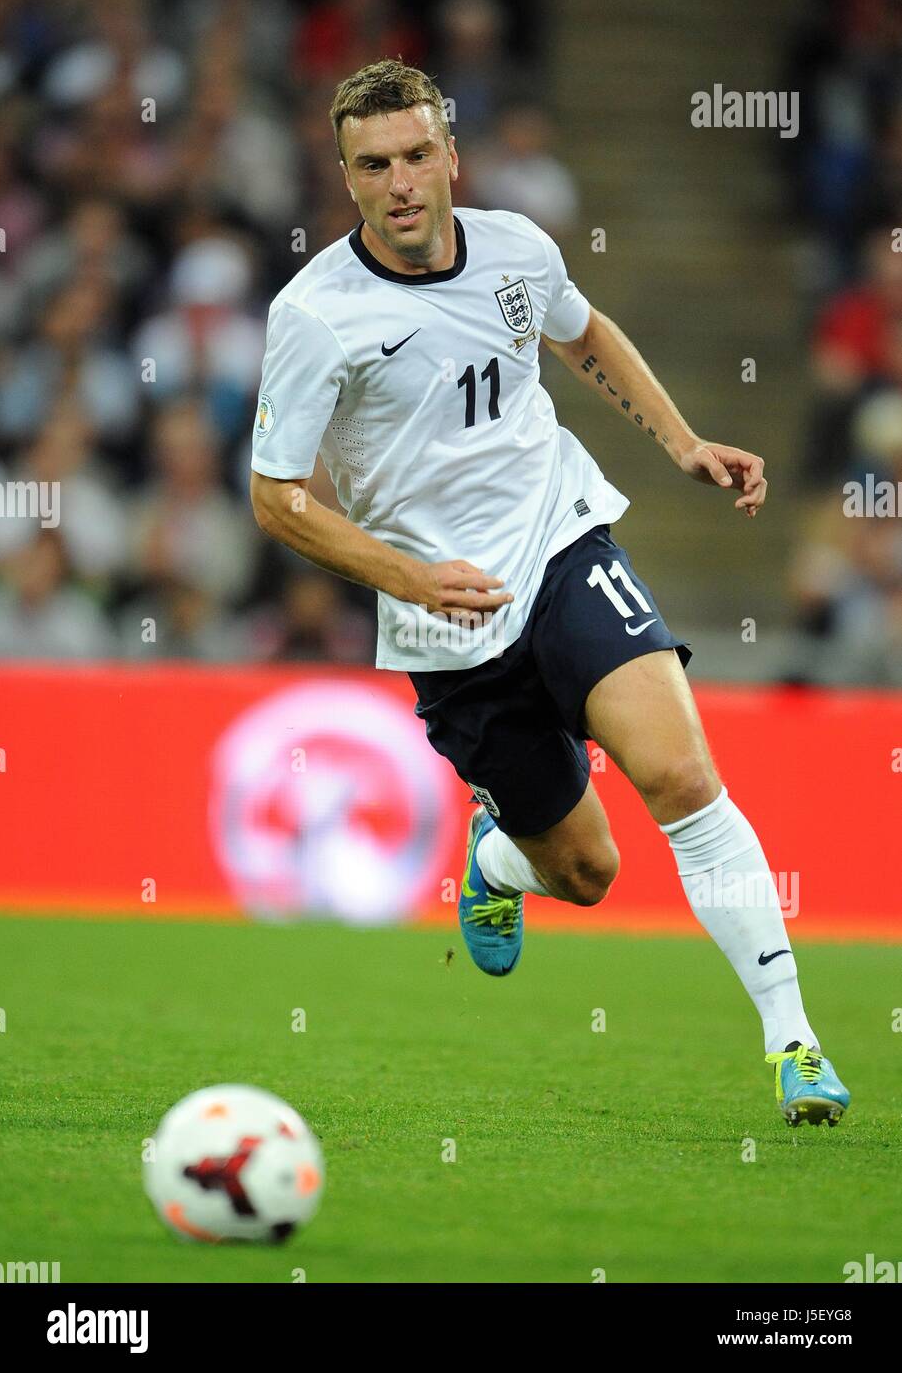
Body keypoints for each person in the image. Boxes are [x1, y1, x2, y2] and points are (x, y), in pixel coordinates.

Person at [249, 60, 849, 1128]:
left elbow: (582, 335)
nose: (399, 183)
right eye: (372, 164)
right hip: (445, 622)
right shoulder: (314, 316)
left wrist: (681, 442)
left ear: (449, 157)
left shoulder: (518, 250)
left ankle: (791, 1040)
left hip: (560, 542)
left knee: (675, 771)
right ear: (345, 178)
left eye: (415, 156)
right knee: (583, 872)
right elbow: (276, 499)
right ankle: (495, 856)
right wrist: (406, 574)